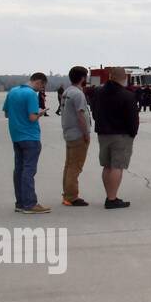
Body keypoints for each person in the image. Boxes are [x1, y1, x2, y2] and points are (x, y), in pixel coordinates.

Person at [91, 66, 136, 209]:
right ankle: (112, 198)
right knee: (117, 166)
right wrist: (132, 133)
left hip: (103, 133)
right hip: (121, 134)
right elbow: (133, 118)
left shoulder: (98, 92)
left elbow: (94, 110)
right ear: (124, 77)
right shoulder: (127, 95)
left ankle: (109, 194)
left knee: (107, 165)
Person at [5, 72, 49, 213]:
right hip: (30, 136)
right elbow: (32, 117)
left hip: (16, 135)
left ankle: (20, 203)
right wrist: (40, 113)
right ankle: (30, 203)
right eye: (42, 86)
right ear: (39, 82)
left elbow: (7, 113)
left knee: (19, 169)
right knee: (29, 170)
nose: (41, 89)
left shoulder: (12, 91)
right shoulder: (31, 94)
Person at [60, 66, 92, 207]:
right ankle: (72, 196)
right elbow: (81, 116)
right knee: (75, 166)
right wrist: (86, 134)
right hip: (78, 134)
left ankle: (67, 193)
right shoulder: (78, 94)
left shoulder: (67, 91)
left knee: (69, 165)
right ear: (82, 78)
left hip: (68, 133)